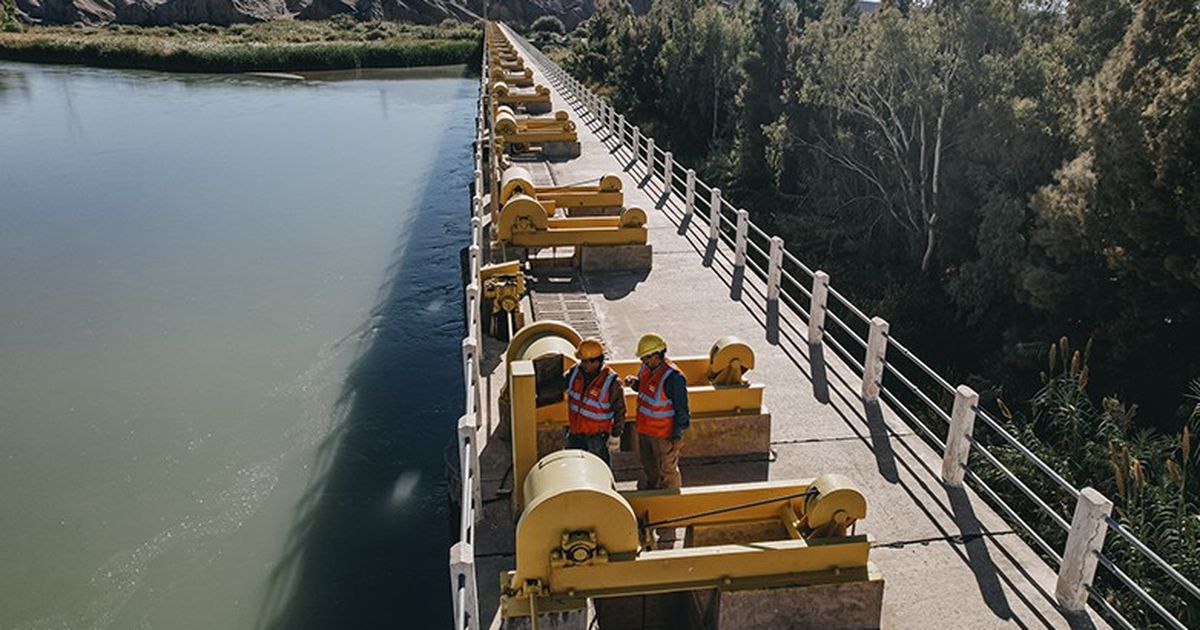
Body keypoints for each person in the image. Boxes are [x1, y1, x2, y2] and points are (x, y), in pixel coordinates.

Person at [624, 333, 690, 489]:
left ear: (656, 355)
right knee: (650, 467)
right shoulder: (646, 369)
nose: (642, 361)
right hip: (645, 430)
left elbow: (682, 410)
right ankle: (653, 490)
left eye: (645, 358)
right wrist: (635, 384)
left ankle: (671, 498)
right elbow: (646, 389)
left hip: (663, 435)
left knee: (667, 471)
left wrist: (677, 436)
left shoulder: (673, 377)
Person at [564, 337, 625, 466]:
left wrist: (615, 435)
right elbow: (560, 384)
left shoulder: (611, 382)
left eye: (586, 361)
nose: (583, 364)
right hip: (575, 433)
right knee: (573, 466)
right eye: (582, 361)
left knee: (598, 468)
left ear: (597, 361)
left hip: (597, 438)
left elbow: (620, 410)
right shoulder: (575, 372)